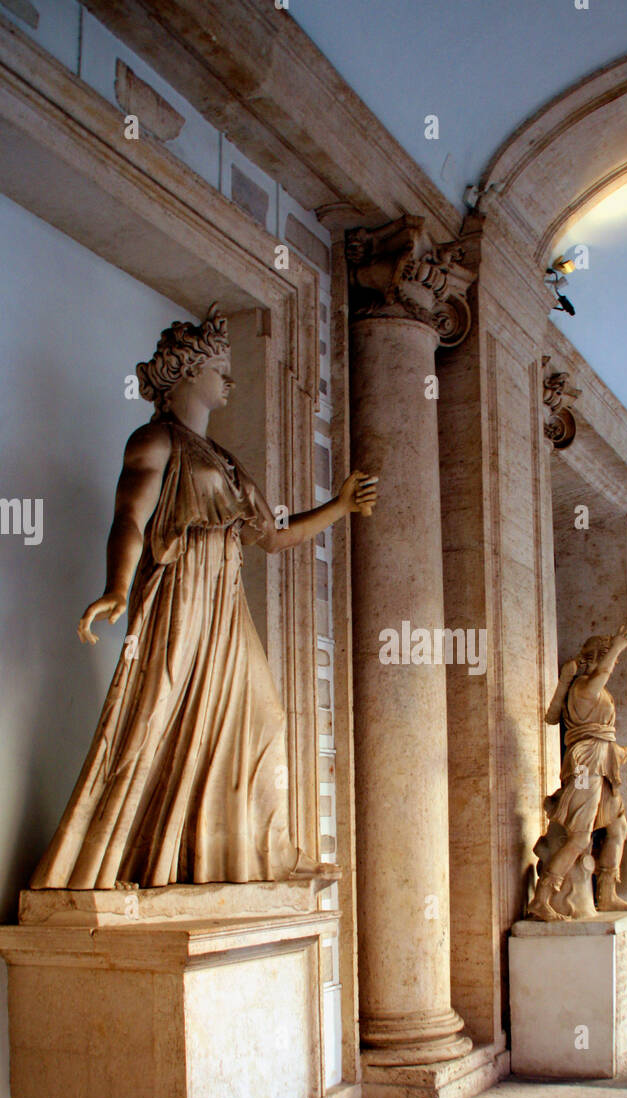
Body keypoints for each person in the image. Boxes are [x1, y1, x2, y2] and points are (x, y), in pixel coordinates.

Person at [31, 304, 377, 890]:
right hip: (181, 594)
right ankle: (117, 861)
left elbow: (276, 537)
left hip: (225, 601)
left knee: (262, 718)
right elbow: (129, 516)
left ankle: (242, 855)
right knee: (156, 716)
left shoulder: (230, 464)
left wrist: (339, 508)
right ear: (188, 372)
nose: (230, 380)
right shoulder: (155, 439)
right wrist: (117, 585)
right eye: (220, 366)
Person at [528, 624, 627, 921]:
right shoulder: (584, 688)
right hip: (586, 764)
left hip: (603, 763)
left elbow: (555, 714)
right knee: (579, 837)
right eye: (609, 659)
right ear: (597, 659)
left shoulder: (594, 689)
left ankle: (607, 893)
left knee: (618, 829)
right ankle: (542, 898)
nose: (613, 665)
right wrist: (617, 645)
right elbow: (602, 674)